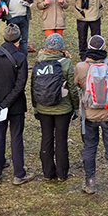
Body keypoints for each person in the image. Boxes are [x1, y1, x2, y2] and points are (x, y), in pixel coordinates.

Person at [0, 23, 34, 186]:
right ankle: (19, 174)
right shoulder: (20, 58)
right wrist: (5, 104)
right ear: (18, 40)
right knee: (16, 137)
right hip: (15, 105)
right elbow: (20, 85)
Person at [74, 35, 108, 194]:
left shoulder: (81, 67)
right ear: (104, 48)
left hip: (89, 115)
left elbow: (77, 84)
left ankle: (90, 182)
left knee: (89, 148)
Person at [32, 33, 78, 182]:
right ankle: (62, 173)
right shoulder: (66, 63)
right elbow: (72, 88)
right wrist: (76, 107)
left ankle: (47, 171)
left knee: (46, 138)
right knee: (61, 139)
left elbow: (33, 86)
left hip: (43, 107)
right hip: (63, 108)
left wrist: (35, 106)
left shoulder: (38, 61)